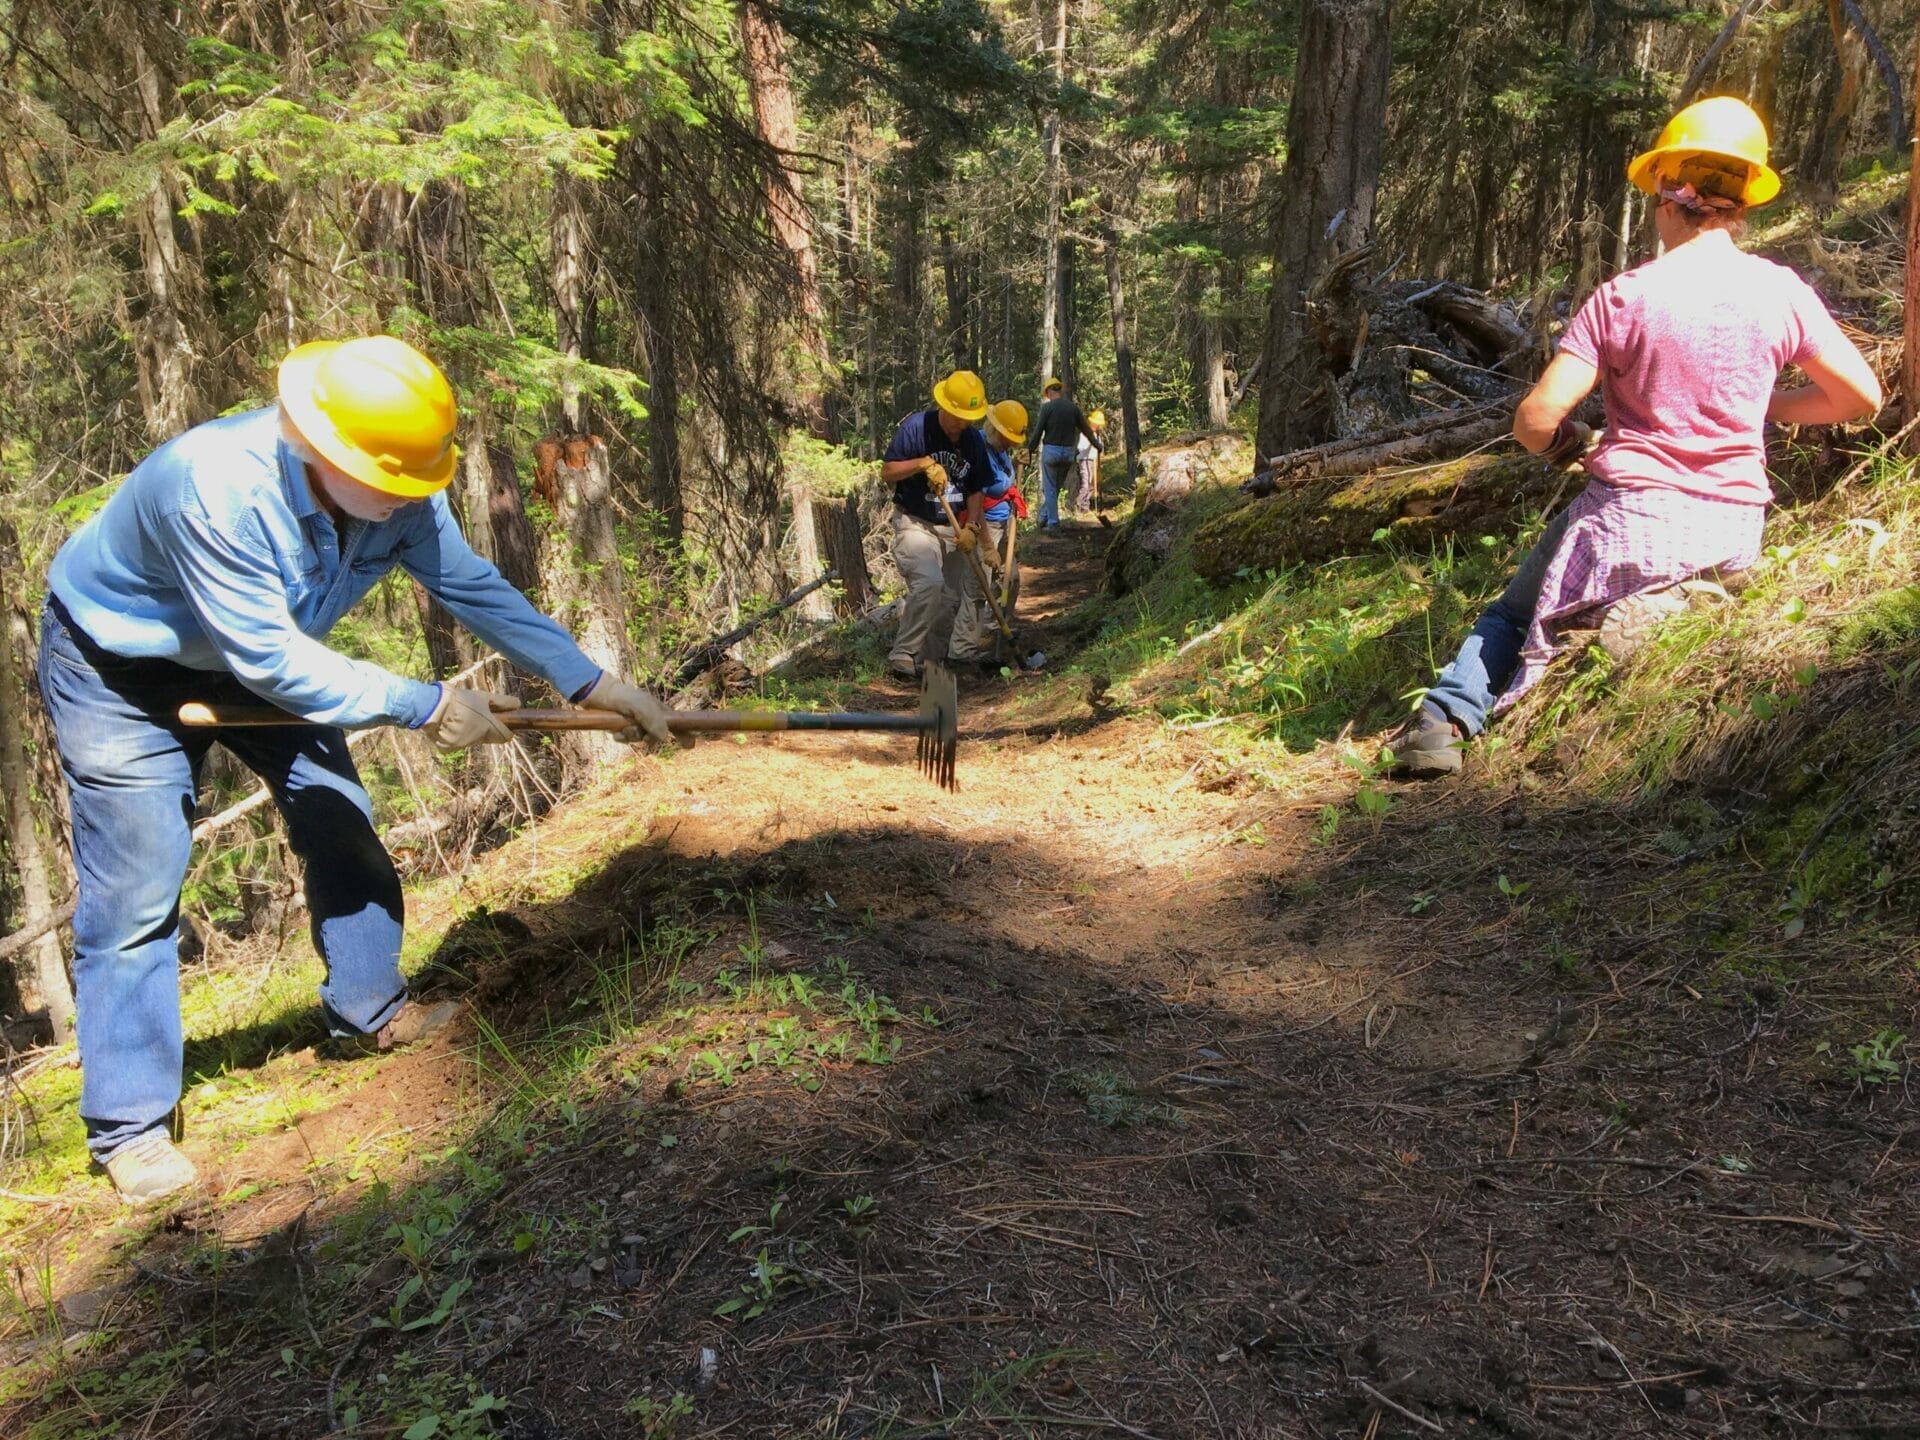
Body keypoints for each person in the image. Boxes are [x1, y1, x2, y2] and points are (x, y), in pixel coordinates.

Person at [39, 335, 675, 1203]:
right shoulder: (215, 486)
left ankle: (369, 1010)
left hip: (268, 660)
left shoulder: (401, 486)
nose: (407, 498)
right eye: (389, 481)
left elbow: (472, 586)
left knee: (337, 813)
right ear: (317, 447)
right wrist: (425, 702)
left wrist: (591, 680)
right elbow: (267, 657)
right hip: (121, 669)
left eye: (417, 480)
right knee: (139, 882)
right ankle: (131, 1126)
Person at [1383, 97, 1883, 780]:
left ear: (1669, 195)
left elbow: (1532, 420)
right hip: (1732, 531)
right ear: (1741, 201)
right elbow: (1859, 397)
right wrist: (1764, 406)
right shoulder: (1781, 292)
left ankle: (1441, 722)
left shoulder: (1626, 297)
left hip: (1630, 521)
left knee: (1508, 613)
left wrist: (1567, 445)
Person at [880, 369, 996, 681]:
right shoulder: (917, 427)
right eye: (958, 416)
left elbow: (976, 489)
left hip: (953, 528)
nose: (962, 423)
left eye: (968, 417)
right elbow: (888, 471)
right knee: (929, 583)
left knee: (950, 598)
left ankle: (929, 663)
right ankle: (903, 653)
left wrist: (972, 528)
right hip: (915, 523)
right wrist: (922, 464)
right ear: (944, 406)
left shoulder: (972, 440)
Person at [949, 399, 1027, 665]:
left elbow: (1002, 481)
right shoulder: (978, 448)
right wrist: (987, 545)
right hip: (982, 526)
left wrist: (1014, 463)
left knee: (1011, 579)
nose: (1011, 444)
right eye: (1008, 439)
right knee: (977, 588)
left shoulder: (999, 448)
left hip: (1003, 523)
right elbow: (980, 497)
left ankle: (996, 629)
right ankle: (962, 651)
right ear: (994, 430)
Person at [1026, 377, 1102, 529]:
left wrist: (1029, 451)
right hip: (1068, 453)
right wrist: (1097, 445)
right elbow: (1086, 430)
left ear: (1048, 392)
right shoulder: (1072, 408)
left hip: (1051, 452)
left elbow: (1038, 431)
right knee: (1055, 488)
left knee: (1050, 489)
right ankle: (1042, 517)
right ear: (1060, 390)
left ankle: (1053, 523)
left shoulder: (1047, 408)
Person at [1075, 409, 1107, 511]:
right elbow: (1081, 448)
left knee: (1092, 485)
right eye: (1096, 424)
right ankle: (1079, 505)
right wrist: (1090, 443)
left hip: (1094, 461)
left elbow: (1100, 447)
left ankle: (1086, 506)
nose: (1097, 426)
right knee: (1085, 484)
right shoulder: (1084, 434)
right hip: (1085, 460)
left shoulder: (1097, 435)